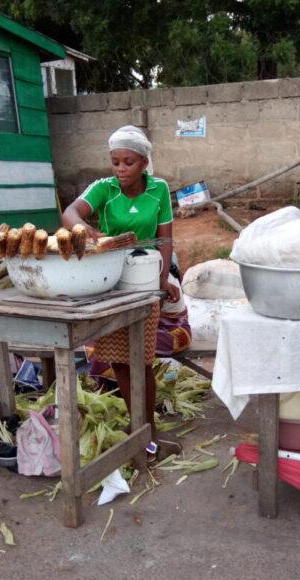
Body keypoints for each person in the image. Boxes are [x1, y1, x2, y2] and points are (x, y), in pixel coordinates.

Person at [63, 125, 187, 451]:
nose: (120, 168)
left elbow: (166, 237)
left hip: (145, 280)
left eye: (128, 162)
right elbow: (70, 213)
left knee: (142, 358)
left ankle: (149, 432)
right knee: (119, 357)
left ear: (144, 163)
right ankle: (139, 430)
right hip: (111, 280)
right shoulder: (104, 188)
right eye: (115, 161)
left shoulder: (158, 189)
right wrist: (82, 227)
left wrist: (162, 281)